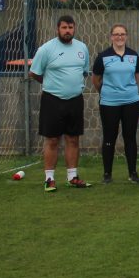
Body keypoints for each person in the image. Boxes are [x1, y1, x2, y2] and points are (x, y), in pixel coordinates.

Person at [29, 15, 92, 191]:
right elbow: (34, 73)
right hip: (52, 100)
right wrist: (51, 84)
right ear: (57, 29)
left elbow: (84, 71)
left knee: (73, 139)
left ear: (74, 28)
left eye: (70, 27)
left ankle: (72, 177)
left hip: (75, 100)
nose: (67, 31)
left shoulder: (82, 48)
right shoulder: (46, 49)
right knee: (52, 140)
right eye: (64, 28)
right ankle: (49, 179)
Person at [91, 23, 139, 184]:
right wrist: (108, 92)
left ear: (126, 36)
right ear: (111, 37)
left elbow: (137, 77)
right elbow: (96, 79)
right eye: (116, 34)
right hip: (109, 103)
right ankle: (107, 174)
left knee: (130, 137)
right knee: (109, 137)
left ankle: (133, 173)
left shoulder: (134, 55)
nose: (119, 37)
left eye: (122, 34)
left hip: (131, 102)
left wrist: (126, 90)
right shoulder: (103, 56)